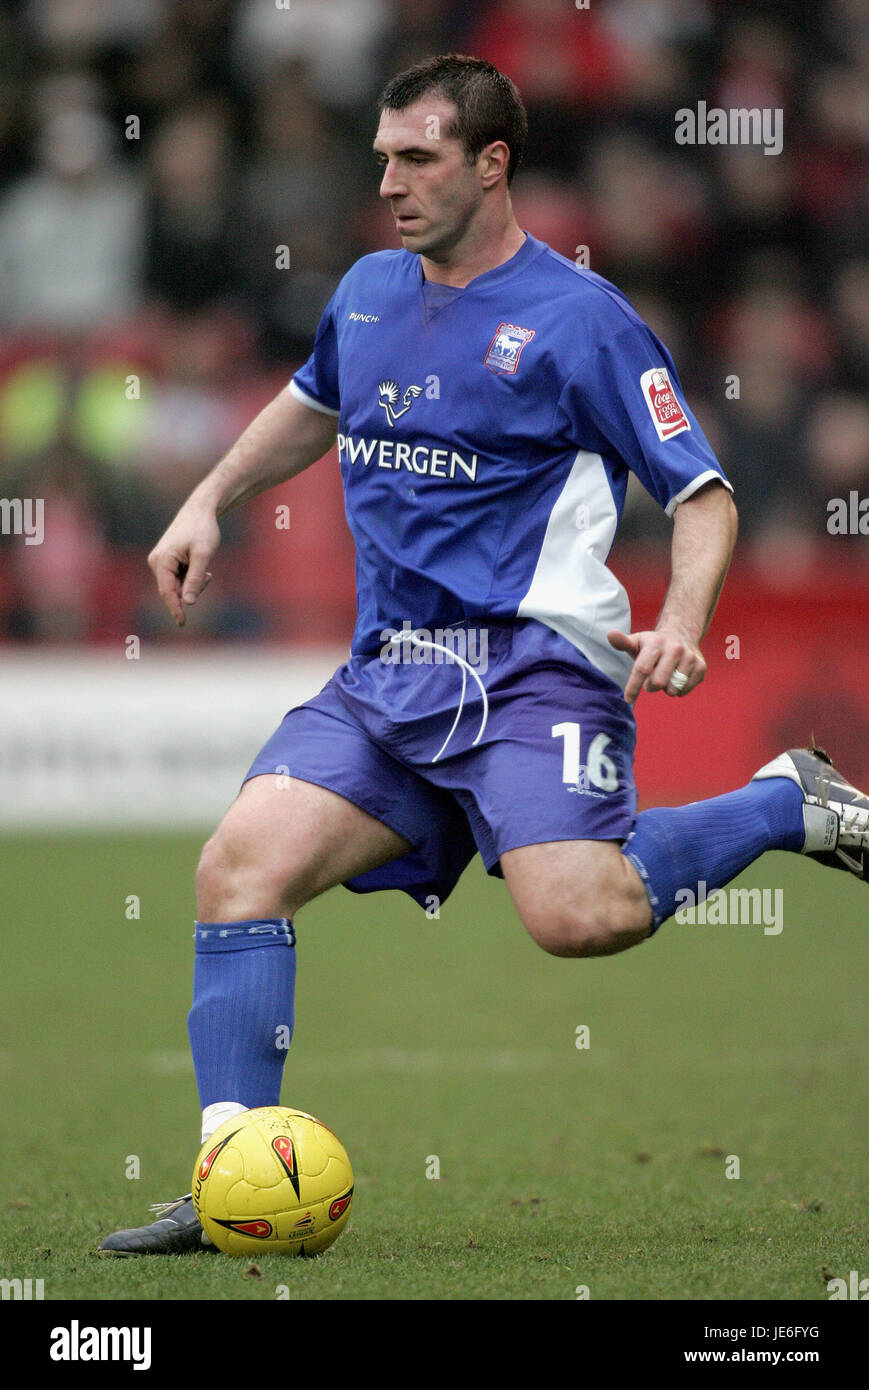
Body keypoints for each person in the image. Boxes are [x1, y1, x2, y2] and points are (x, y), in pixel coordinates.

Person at [100, 55, 867, 1255]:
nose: (389, 182)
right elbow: (315, 400)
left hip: (531, 674)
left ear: (490, 163)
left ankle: (785, 801)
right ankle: (224, 1176)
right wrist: (208, 497)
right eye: (382, 158)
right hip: (388, 674)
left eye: (417, 158)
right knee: (235, 870)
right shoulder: (362, 289)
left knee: (581, 917)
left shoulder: (580, 318)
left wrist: (678, 618)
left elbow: (702, 493)